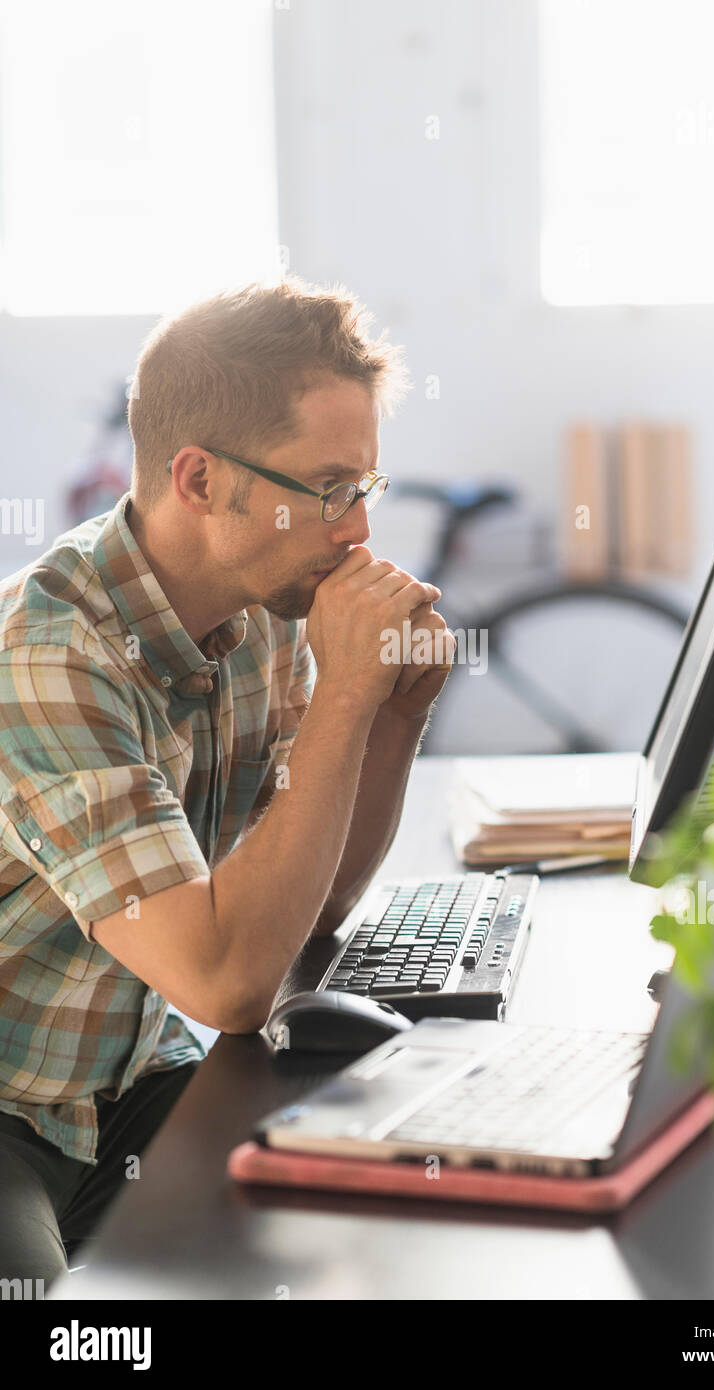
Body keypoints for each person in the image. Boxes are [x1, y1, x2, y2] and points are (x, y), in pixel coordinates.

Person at [0, 275, 454, 1287]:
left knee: (372, 1240)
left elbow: (314, 898)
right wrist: (345, 696)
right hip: (10, 1108)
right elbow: (229, 982)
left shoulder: (261, 617)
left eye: (365, 490)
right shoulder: (48, 660)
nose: (357, 533)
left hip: (133, 1082)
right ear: (199, 479)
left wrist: (392, 719)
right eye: (329, 489)